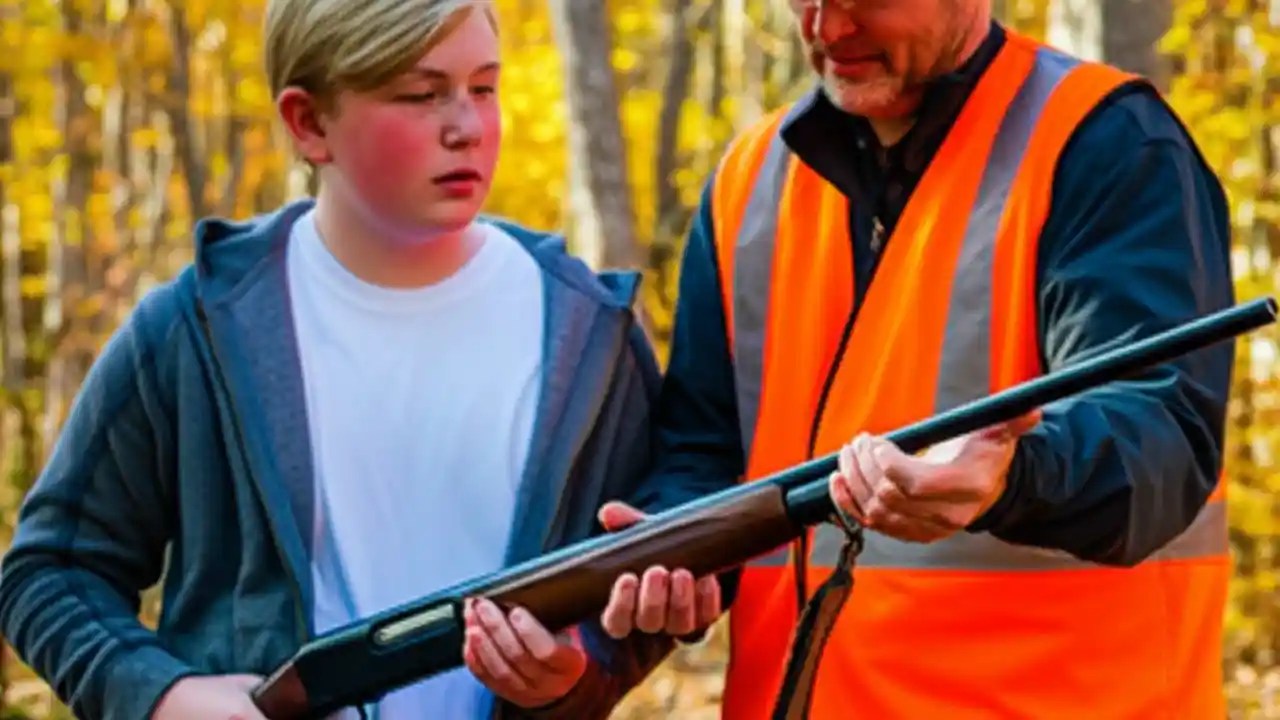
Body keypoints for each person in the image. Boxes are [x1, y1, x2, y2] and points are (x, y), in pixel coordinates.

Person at [0, 2, 722, 719]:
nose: (466, 127)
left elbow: (635, 598)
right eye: (421, 94)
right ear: (309, 123)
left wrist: (572, 679)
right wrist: (162, 697)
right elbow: (50, 571)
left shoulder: (588, 336)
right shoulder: (197, 329)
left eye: (484, 88)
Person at [635, 0, 1237, 718]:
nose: (828, 26)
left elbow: (1158, 438)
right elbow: (701, 453)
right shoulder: (748, 184)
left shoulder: (1104, 142)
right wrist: (668, 548)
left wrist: (1014, 478)